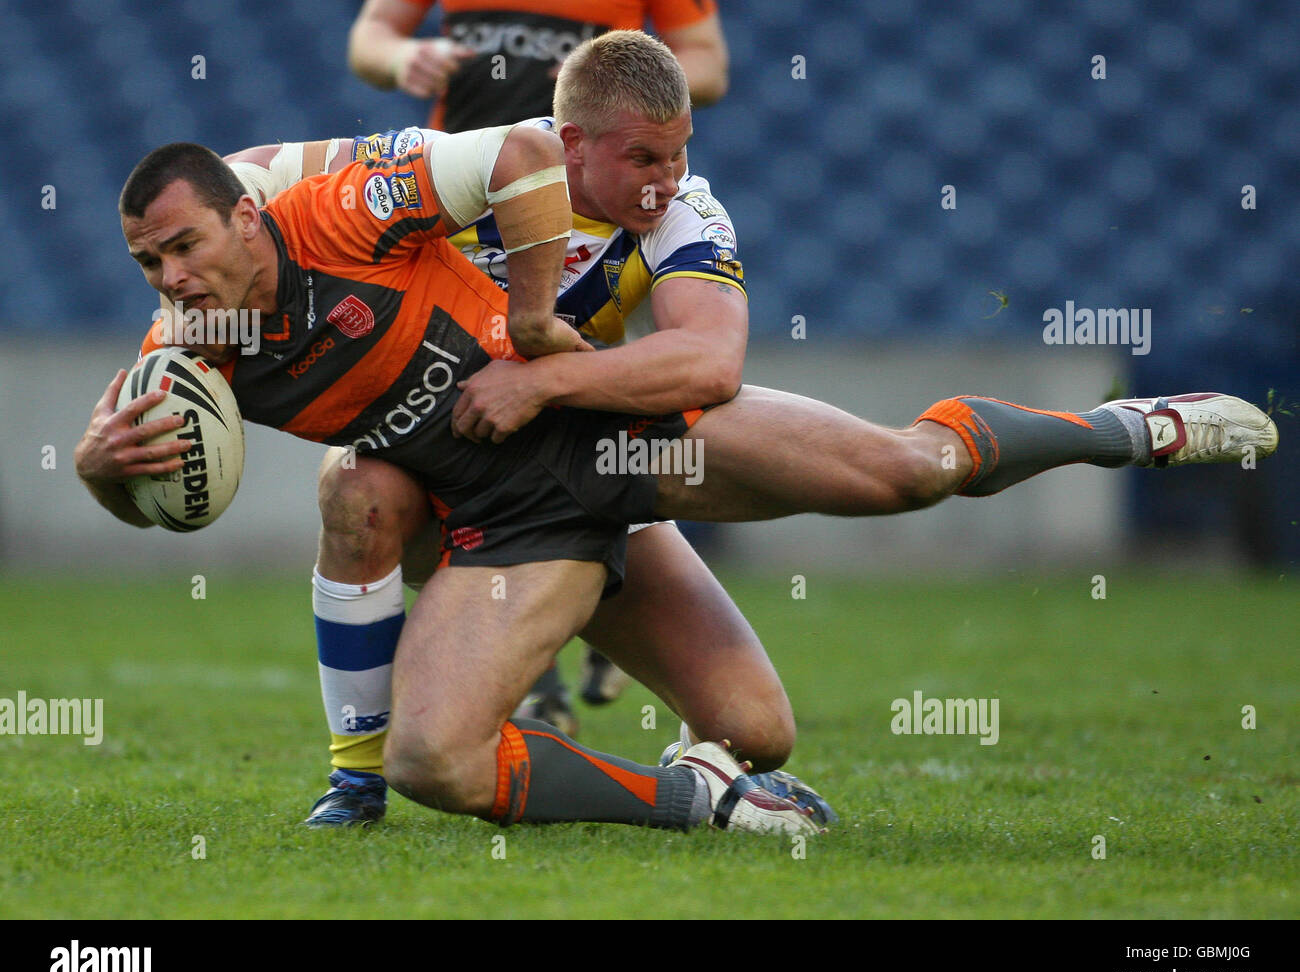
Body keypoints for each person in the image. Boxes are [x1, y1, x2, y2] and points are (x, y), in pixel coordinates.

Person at [76, 67, 1279, 837]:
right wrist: (103, 475)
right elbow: (167, 484)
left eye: (676, 154)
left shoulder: (638, 208)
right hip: (502, 523)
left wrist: (542, 353)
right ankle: (665, 796)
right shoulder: (195, 330)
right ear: (578, 141)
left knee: (903, 474)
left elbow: (704, 368)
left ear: (240, 216)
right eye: (640, 159)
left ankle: (1132, 427)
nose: (667, 182)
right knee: (382, 546)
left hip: (617, 447)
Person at [349, 2, 731, 726]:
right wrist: (403, 61)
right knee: (457, 427)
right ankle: (545, 660)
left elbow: (706, 66)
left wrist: (613, 79)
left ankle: (619, 583)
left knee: (617, 387)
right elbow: (370, 39)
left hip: (604, 199)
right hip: (469, 198)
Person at [348, 0, 728, 132]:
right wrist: (400, 58)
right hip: (456, 176)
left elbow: (707, 64)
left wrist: (624, 78)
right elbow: (373, 32)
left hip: (589, 186)